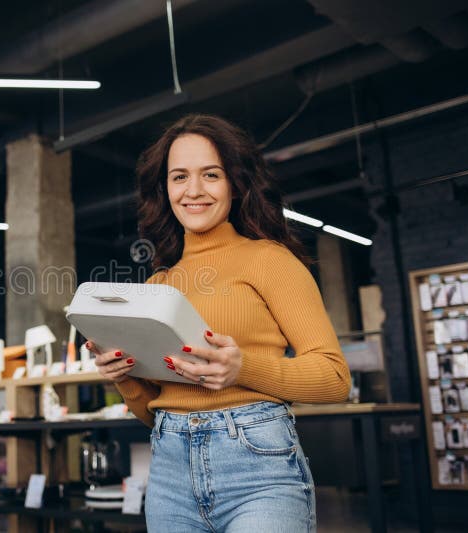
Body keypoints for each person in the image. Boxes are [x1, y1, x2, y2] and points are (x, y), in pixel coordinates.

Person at [88, 114, 351, 532]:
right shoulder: (159, 284)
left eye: (211, 174)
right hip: (169, 468)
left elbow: (335, 378)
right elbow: (152, 412)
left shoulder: (269, 260)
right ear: (164, 189)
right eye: (179, 177)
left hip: (259, 468)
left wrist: (242, 368)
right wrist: (123, 376)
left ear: (235, 183)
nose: (193, 191)